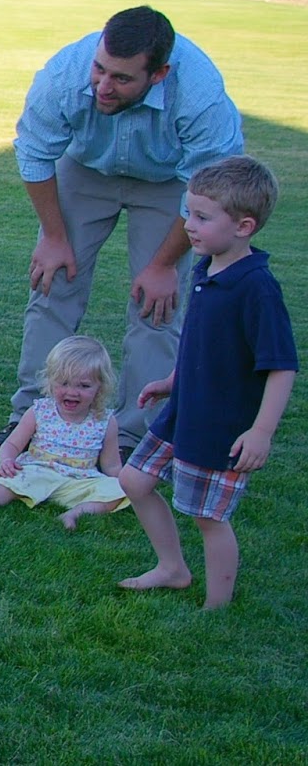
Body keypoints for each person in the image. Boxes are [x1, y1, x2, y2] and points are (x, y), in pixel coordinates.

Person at [0, 5, 244, 455]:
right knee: (52, 285)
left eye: (121, 79)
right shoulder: (65, 73)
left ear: (159, 74)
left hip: (171, 183)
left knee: (157, 305)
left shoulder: (200, 93)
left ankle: (130, 435)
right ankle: (30, 418)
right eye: (100, 69)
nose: (103, 86)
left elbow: (209, 185)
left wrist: (163, 265)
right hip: (84, 169)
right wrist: (53, 236)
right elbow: (35, 153)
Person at [118, 155, 296, 609]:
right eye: (187, 212)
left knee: (208, 517)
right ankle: (172, 568)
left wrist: (261, 431)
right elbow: (203, 343)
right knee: (134, 481)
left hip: (221, 425)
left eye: (201, 216)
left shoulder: (256, 287)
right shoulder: (205, 268)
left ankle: (216, 606)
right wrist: (173, 380)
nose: (188, 225)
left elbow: (281, 366)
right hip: (184, 410)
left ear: (244, 226)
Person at [0, 335, 128, 530]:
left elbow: (112, 465)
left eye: (84, 386)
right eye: (64, 383)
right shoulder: (40, 411)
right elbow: (12, 444)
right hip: (37, 470)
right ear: (50, 381)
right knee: (12, 480)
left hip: (80, 480)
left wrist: (127, 481)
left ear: (100, 388)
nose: (72, 392)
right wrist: (6, 461)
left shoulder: (105, 421)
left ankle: (75, 513)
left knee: (119, 490)